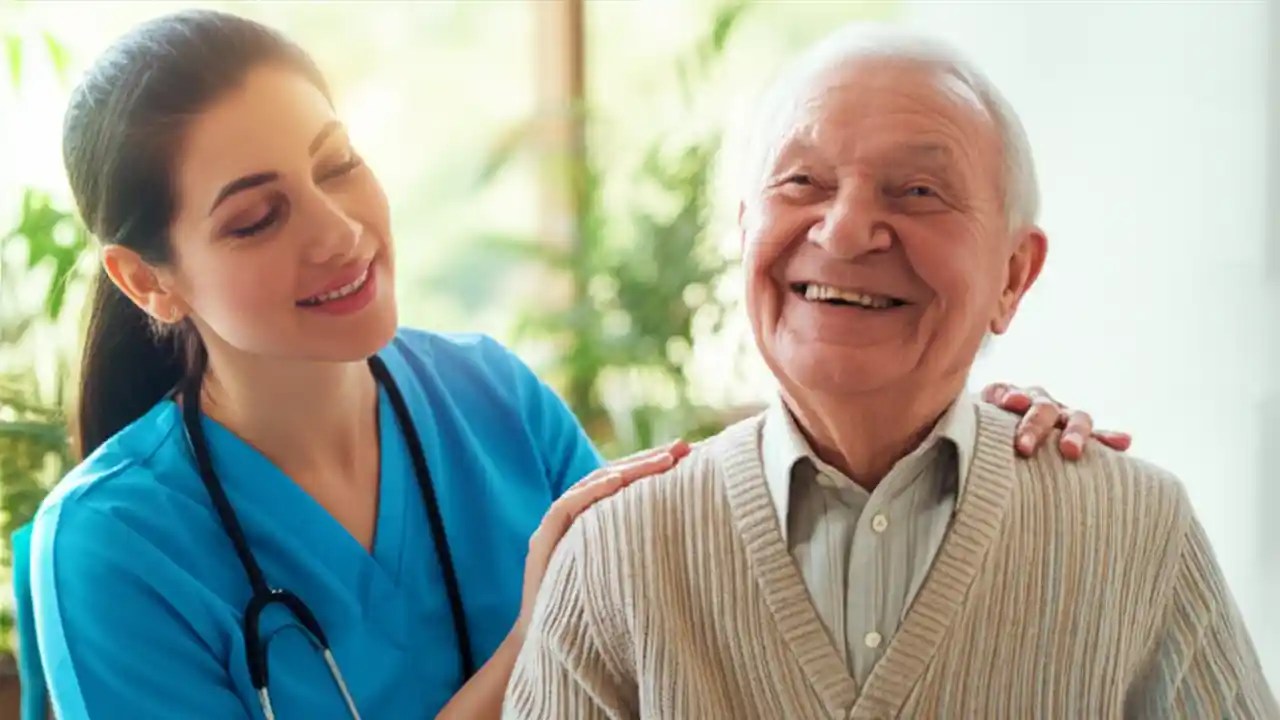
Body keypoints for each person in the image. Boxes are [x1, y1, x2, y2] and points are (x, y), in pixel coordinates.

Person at [27, 11, 1123, 720]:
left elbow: (696, 615)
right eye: (259, 217)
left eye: (338, 166)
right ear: (146, 279)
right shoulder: (111, 547)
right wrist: (533, 636)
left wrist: (957, 438)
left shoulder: (489, 400)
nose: (338, 233)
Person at [503, 26, 1279, 720]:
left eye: (917, 191)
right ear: (746, 232)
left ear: (1013, 274)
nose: (844, 232)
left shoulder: (1135, 531)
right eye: (802, 182)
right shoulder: (617, 556)